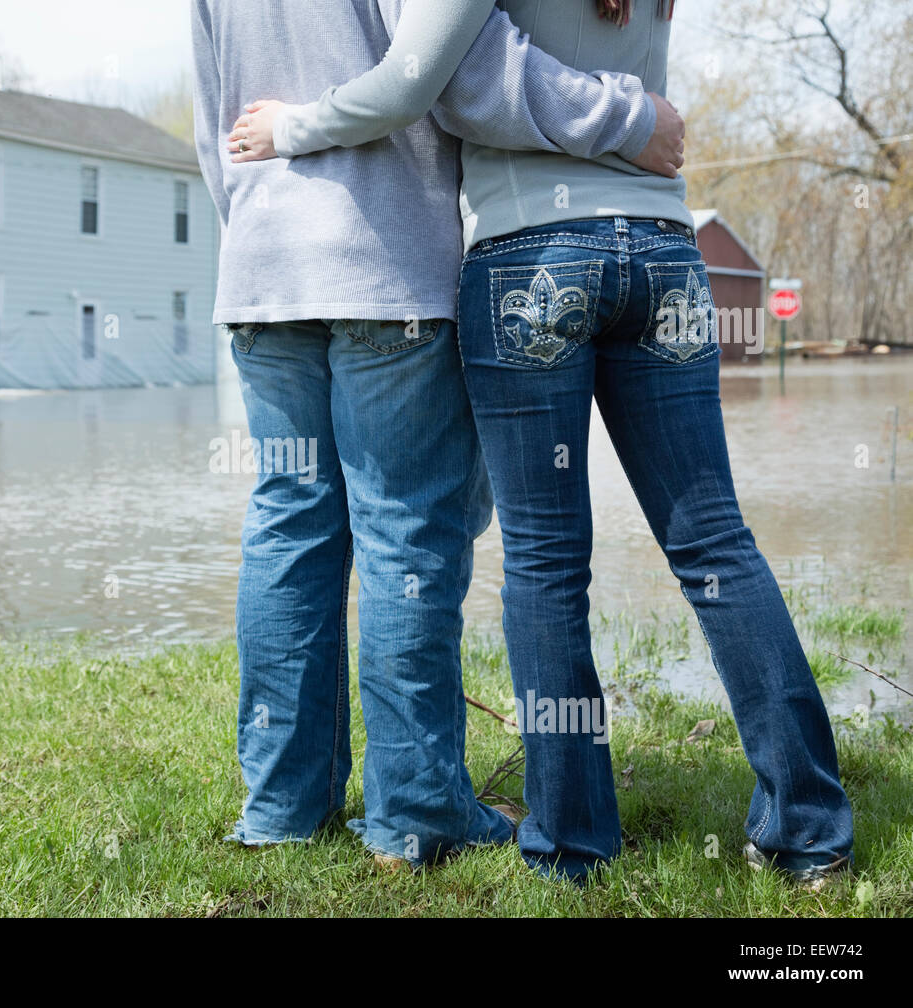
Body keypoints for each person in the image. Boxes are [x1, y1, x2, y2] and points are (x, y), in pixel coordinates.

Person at [228, 0, 854, 884]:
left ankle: (570, 841)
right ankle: (811, 834)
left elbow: (442, 82)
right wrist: (632, 119)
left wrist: (290, 126)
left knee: (548, 563)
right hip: (666, 254)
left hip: (532, 256)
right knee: (716, 544)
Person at [191, 0, 685, 869]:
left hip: (266, 270)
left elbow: (210, 120)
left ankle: (280, 808)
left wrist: (265, 232)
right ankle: (415, 814)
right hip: (383, 262)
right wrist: (629, 115)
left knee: (286, 530)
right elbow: (463, 67)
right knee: (405, 535)